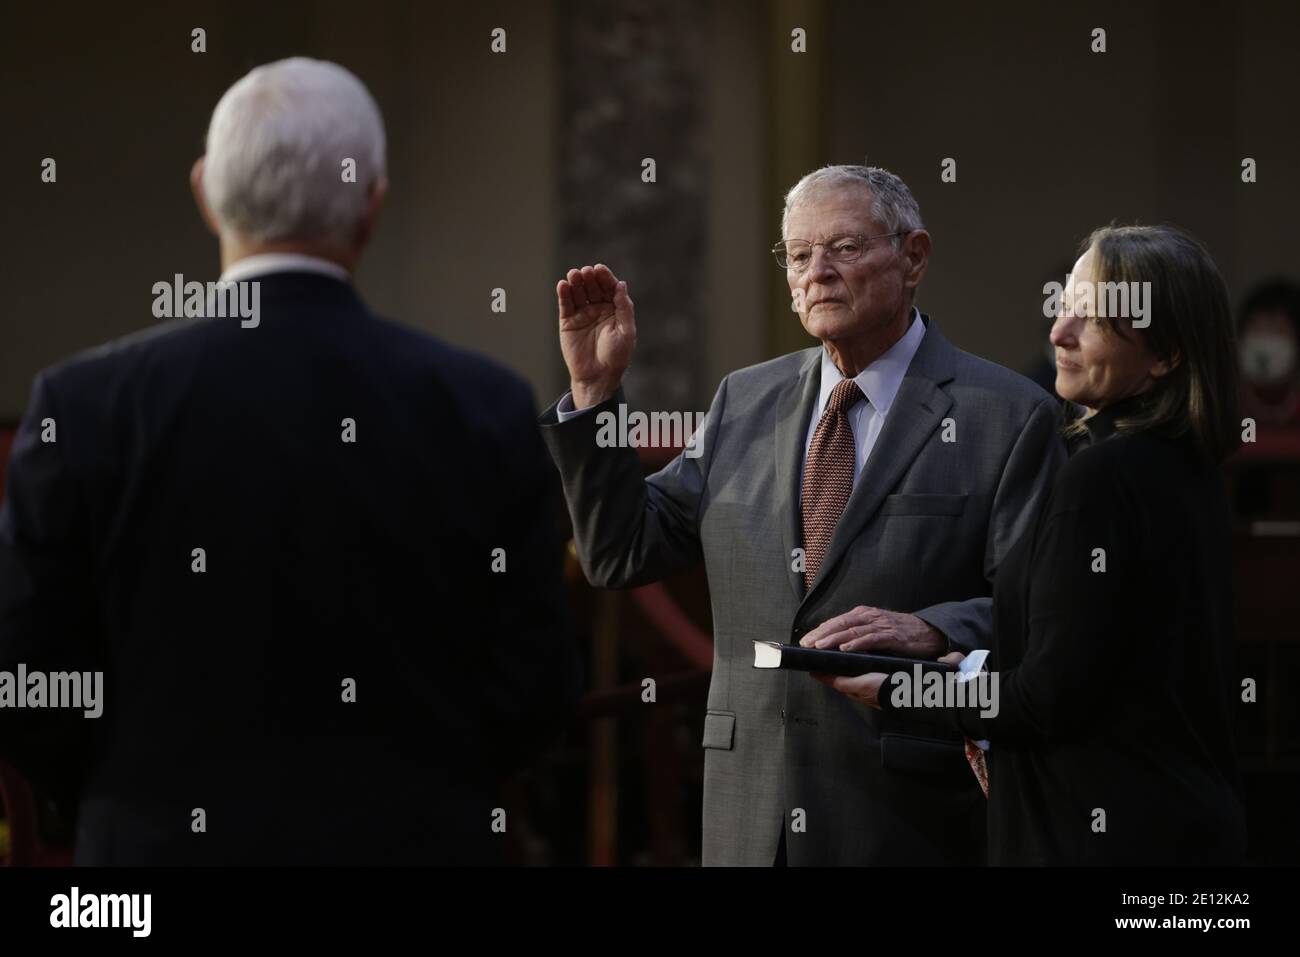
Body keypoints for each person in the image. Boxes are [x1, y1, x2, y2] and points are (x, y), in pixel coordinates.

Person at [0, 58, 580, 864]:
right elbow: (535, 688)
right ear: (372, 204)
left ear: (205, 191)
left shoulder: (82, 405)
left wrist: (119, 795)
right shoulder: (483, 405)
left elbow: (27, 675)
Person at [541, 165, 1065, 865]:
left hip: (905, 811)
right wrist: (596, 395)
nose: (816, 271)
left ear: (913, 257)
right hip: (749, 807)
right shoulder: (744, 400)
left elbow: (1043, 616)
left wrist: (935, 628)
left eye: (844, 248)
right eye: (797, 254)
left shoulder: (1004, 412)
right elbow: (620, 551)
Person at [810, 224, 1248, 865]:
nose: (1058, 333)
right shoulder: (1185, 467)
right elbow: (1107, 669)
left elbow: (1048, 699)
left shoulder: (1105, 476)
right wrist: (967, 669)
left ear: (1166, 354)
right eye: (1062, 306)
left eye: (1091, 317)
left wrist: (901, 690)